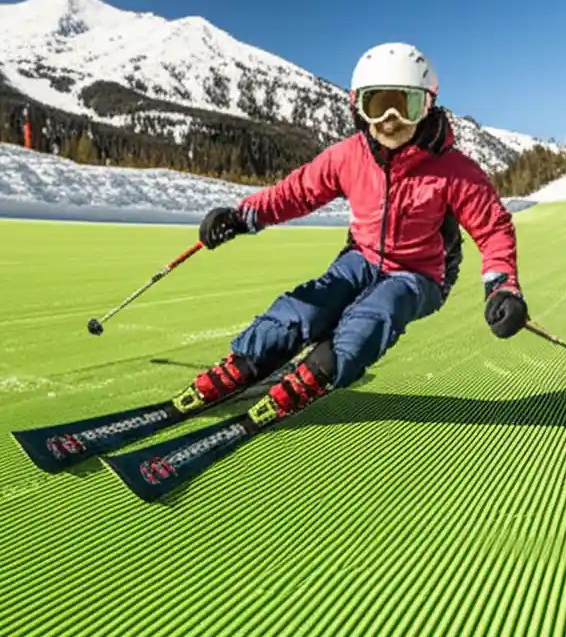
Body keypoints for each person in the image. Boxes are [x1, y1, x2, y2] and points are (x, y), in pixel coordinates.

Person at [185, 43, 528, 421]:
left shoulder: (453, 169)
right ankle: (247, 360)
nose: (392, 119)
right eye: (378, 106)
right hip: (361, 258)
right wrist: (242, 216)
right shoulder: (349, 156)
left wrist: (502, 287)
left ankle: (322, 369)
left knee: (378, 311)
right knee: (310, 304)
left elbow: (492, 227)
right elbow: (297, 192)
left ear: (427, 106)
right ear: (358, 107)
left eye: (406, 105)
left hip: (421, 274)